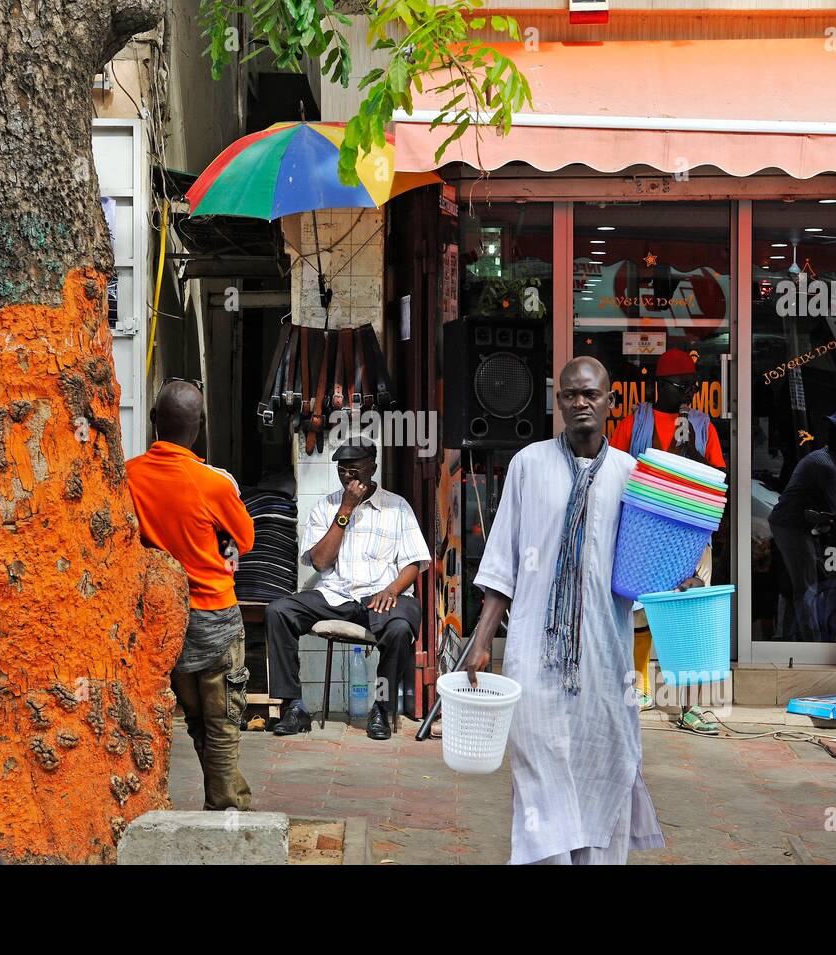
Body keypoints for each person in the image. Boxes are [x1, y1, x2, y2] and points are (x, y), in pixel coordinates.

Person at [465, 356, 664, 864]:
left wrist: (673, 572)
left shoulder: (631, 475)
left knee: (607, 763)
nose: (580, 403)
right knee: (539, 767)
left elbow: (641, 571)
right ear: (557, 403)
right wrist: (482, 641)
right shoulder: (528, 464)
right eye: (570, 395)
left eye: (590, 395)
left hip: (605, 658)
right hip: (535, 652)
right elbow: (502, 561)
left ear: (610, 403)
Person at [126, 380, 255, 811]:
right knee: (223, 721)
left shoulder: (127, 475)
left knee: (198, 720)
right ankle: (225, 808)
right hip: (216, 615)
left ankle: (229, 800)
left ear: (152, 422)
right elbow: (246, 540)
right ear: (199, 427)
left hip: (166, 619)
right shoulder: (212, 484)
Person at [265, 437, 430, 741]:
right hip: (336, 596)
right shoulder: (327, 507)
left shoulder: (397, 507)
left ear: (372, 468)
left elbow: (413, 563)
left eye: (355, 471)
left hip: (380, 598)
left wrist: (392, 590)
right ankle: (295, 706)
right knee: (280, 611)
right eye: (343, 471)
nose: (348, 478)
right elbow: (319, 562)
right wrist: (345, 510)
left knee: (398, 630)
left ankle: (381, 708)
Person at [609, 348, 726, 733]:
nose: (689, 393)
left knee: (689, 617)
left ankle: (691, 707)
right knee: (638, 615)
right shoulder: (634, 422)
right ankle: (640, 689)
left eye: (693, 385)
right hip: (643, 536)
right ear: (659, 385)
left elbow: (719, 479)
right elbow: (613, 472)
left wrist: (690, 449)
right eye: (681, 386)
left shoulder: (703, 426)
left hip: (690, 535)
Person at [767, 411, 836, 642]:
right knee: (807, 587)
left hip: (792, 524)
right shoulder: (826, 467)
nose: (830, 434)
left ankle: (787, 635)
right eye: (831, 430)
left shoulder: (824, 459)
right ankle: (812, 641)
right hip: (790, 525)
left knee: (797, 584)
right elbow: (835, 514)